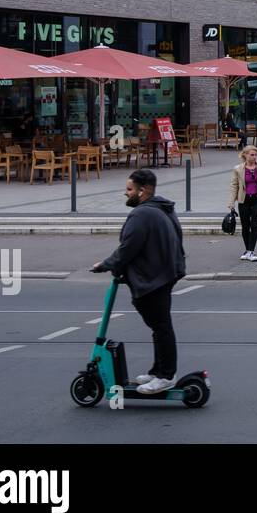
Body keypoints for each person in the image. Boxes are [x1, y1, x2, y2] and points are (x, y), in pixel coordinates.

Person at [90, 168, 186, 395]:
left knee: (161, 327)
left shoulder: (141, 214)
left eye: (129, 189)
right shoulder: (163, 208)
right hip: (165, 273)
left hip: (153, 278)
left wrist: (105, 264)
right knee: (158, 326)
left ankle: (166, 376)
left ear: (142, 191)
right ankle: (158, 370)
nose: (125, 193)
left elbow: (128, 248)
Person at [227, 145, 257, 262]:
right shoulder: (238, 169)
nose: (254, 157)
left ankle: (251, 251)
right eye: (252, 155)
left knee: (254, 225)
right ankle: (247, 250)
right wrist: (231, 202)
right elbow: (234, 186)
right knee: (245, 226)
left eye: (256, 155)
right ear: (245, 155)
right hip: (244, 200)